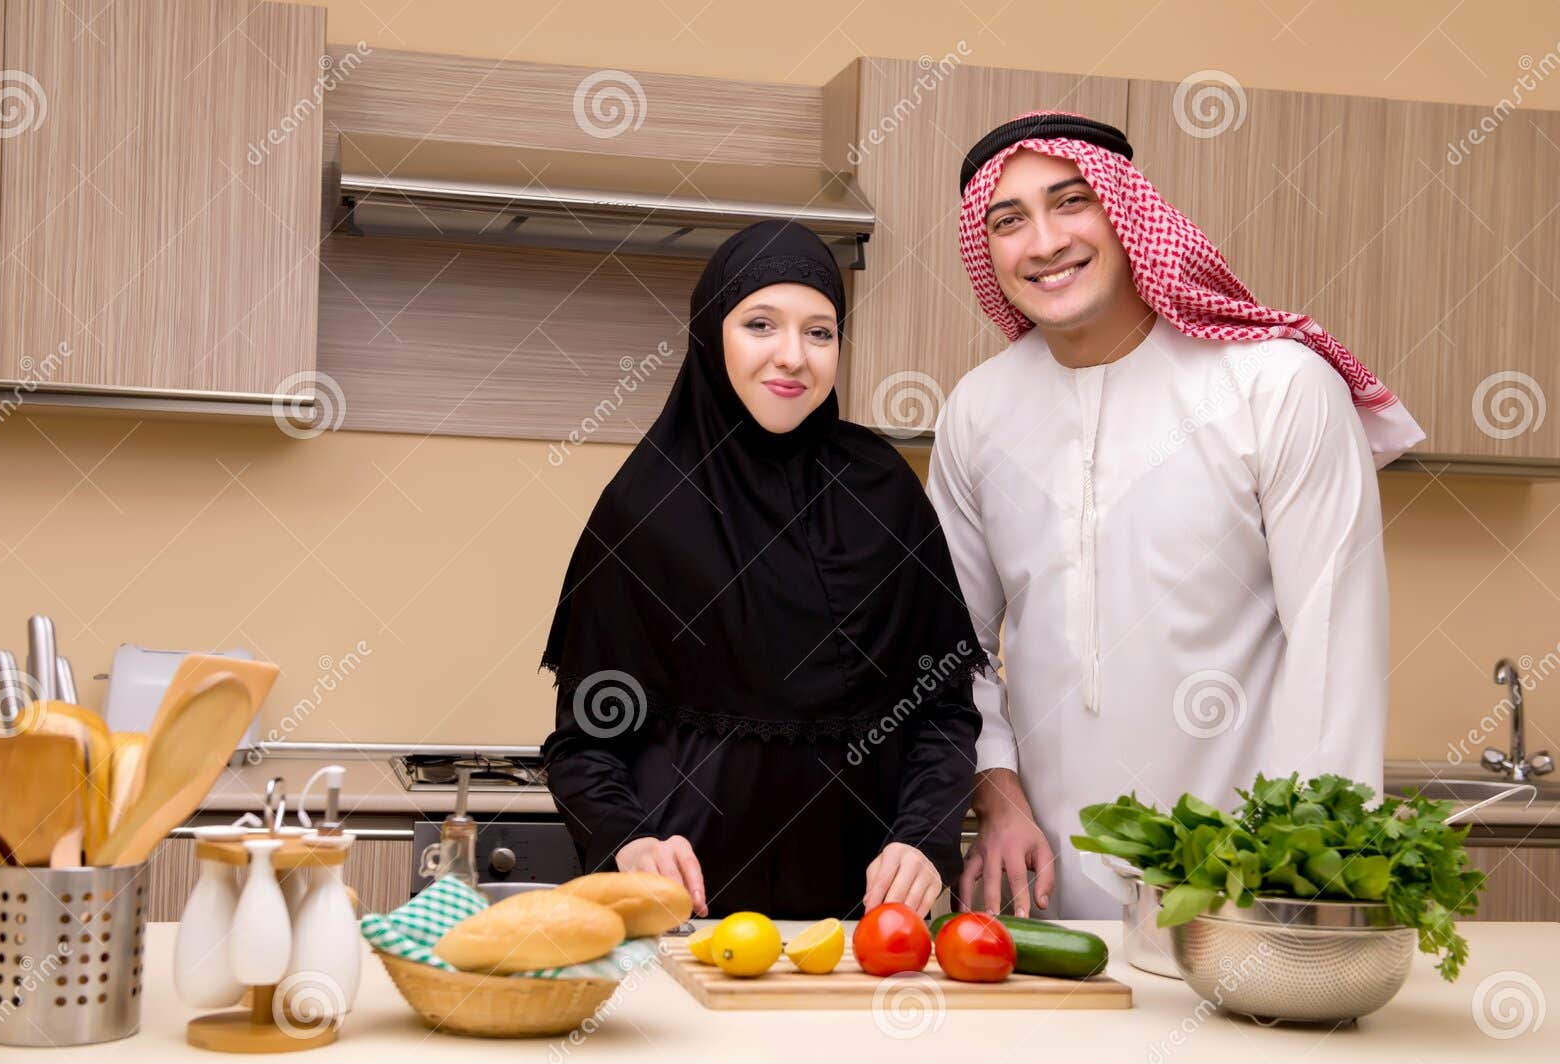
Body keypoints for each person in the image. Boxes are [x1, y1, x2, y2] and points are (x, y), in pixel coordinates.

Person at [929, 111, 1425, 919]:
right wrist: (997, 797)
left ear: (1128, 212)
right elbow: (954, 646)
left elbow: (1336, 655)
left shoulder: (1278, 387)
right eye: (1008, 220)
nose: (1044, 242)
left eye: (1072, 202)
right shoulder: (976, 412)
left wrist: (1298, 887)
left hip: (1244, 892)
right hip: (1043, 897)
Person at [540, 219, 986, 920]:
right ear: (710, 335)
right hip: (683, 924)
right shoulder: (645, 509)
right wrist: (627, 841)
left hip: (863, 933)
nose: (793, 357)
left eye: (819, 332)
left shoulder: (884, 495)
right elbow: (584, 744)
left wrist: (926, 838)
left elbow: (943, 711)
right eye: (760, 325)